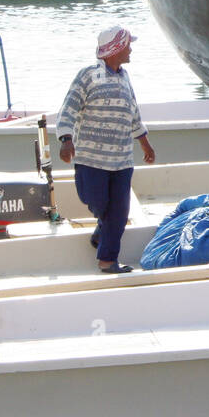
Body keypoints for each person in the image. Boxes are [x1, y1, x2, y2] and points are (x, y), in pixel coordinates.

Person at [55, 25, 156, 272]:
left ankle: (107, 260)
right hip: (91, 159)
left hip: (121, 159)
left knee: (119, 211)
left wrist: (145, 143)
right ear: (116, 48)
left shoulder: (124, 77)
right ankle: (102, 230)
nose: (130, 49)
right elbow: (68, 108)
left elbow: (133, 114)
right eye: (127, 45)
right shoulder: (88, 75)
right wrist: (66, 139)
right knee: (96, 201)